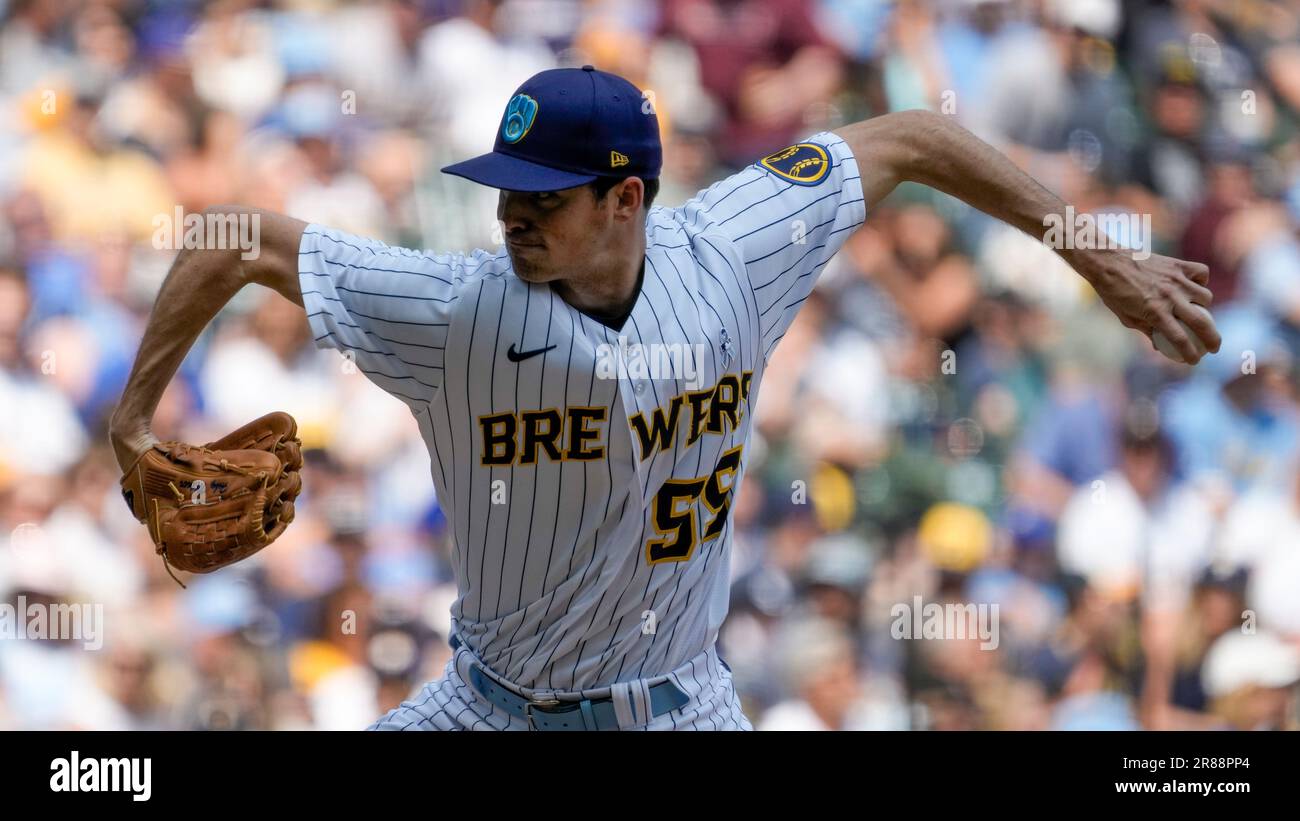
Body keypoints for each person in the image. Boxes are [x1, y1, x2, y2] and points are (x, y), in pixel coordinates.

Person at [108, 65, 1220, 731]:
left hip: (678, 707)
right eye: (506, 193)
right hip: (487, 704)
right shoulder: (457, 310)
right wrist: (131, 419)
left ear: (626, 198)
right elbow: (238, 238)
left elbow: (915, 137)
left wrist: (1101, 255)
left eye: (545, 198)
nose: (512, 218)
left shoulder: (731, 252)